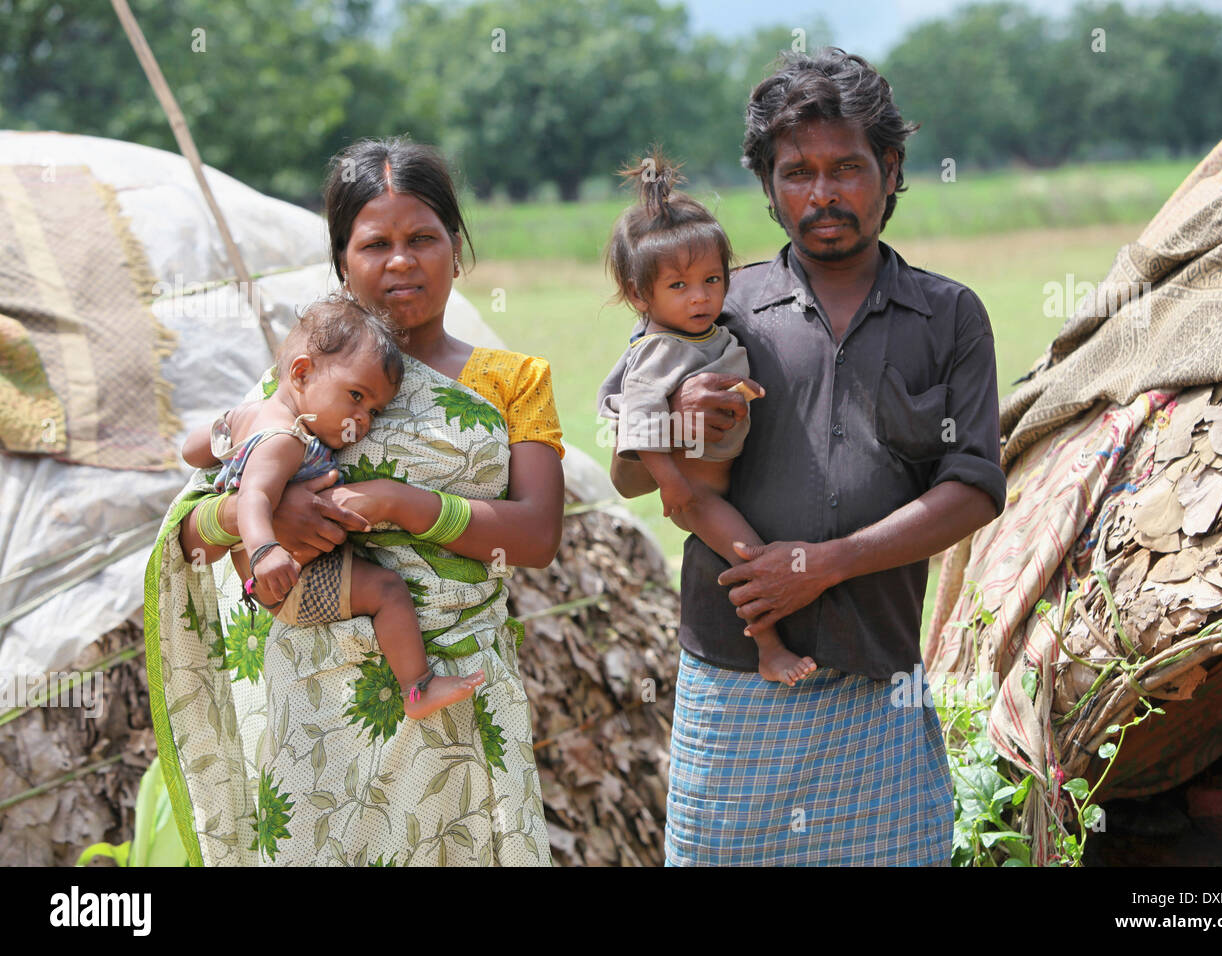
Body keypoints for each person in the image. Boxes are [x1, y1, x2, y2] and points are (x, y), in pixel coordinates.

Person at [601, 48, 1007, 865]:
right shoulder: (715, 308)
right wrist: (678, 420)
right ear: (768, 185)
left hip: (877, 680)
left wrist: (825, 563)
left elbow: (973, 488)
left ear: (890, 171)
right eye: (797, 172)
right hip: (734, 676)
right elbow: (630, 473)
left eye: (847, 168)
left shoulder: (948, 317)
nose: (822, 195)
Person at [145, 136, 564, 866]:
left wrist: (403, 502)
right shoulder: (302, 385)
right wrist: (270, 517)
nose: (401, 261)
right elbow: (189, 534)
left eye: (422, 239)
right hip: (318, 712)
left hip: (458, 702)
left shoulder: (513, 381)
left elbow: (535, 536)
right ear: (342, 261)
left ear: (456, 252)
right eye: (376, 244)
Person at [178, 294, 486, 721]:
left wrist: (227, 425)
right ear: (301, 373)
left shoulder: (253, 414)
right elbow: (255, 497)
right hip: (293, 580)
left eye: (374, 410)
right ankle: (418, 689)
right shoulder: (286, 439)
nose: (363, 420)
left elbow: (193, 451)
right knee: (388, 592)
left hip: (275, 576)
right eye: (355, 396)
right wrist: (267, 550)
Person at [598, 152, 816, 686]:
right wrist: (673, 485)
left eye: (712, 280)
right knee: (749, 559)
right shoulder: (657, 351)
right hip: (698, 496)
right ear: (637, 294)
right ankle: (768, 648)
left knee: (745, 557)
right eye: (678, 286)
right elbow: (641, 419)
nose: (700, 296)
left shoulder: (708, 333)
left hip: (717, 481)